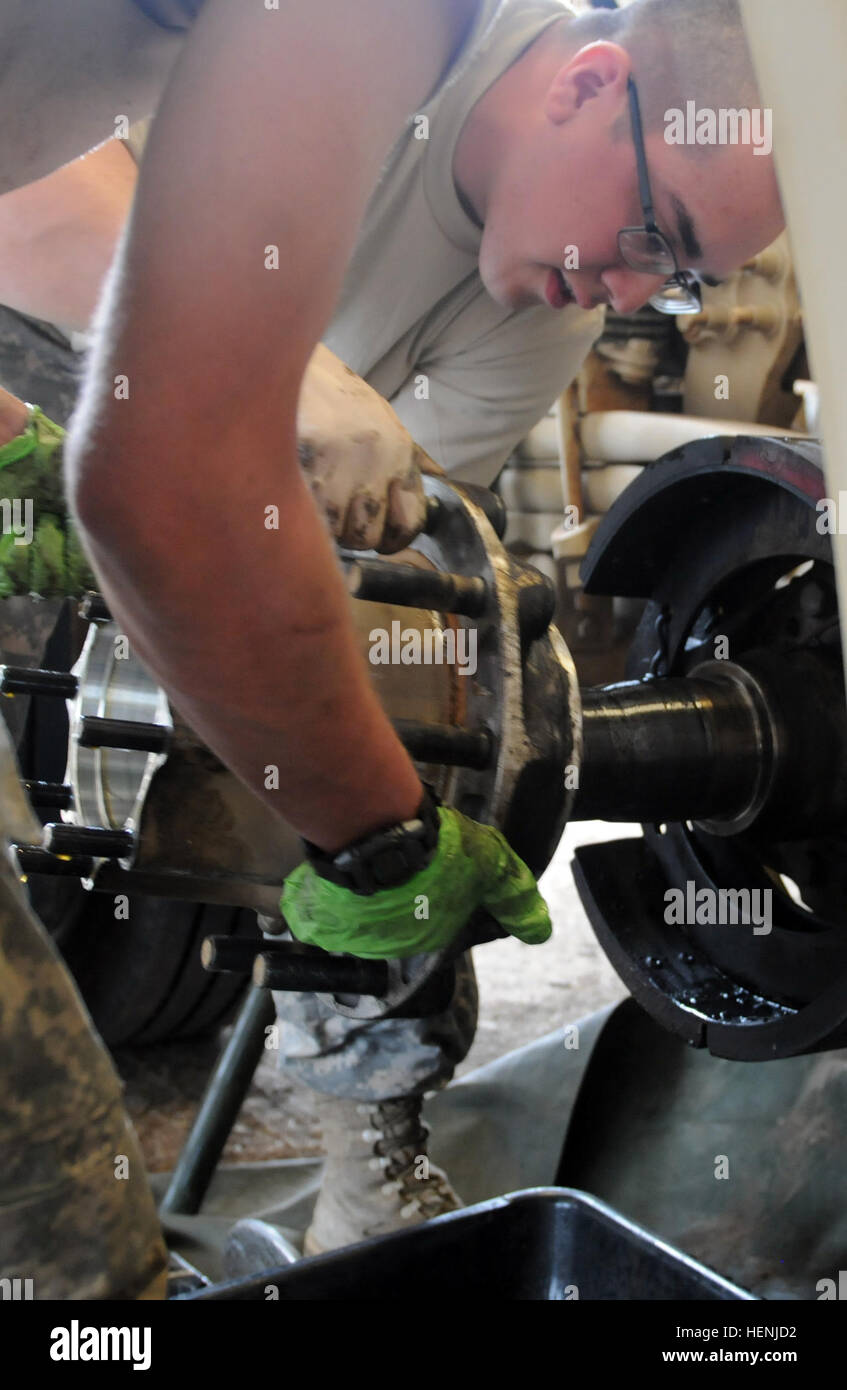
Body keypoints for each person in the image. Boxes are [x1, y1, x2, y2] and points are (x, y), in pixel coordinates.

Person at [0, 0, 785, 1251]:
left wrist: (401, 833)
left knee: (419, 715)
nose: (633, 288)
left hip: (187, 480)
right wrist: (282, 378)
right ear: (587, 86)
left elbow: (361, 588)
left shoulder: (553, 316)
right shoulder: (400, 19)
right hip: (48, 348)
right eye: (654, 230)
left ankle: (370, 1139)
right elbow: (28, 203)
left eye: (677, 279)